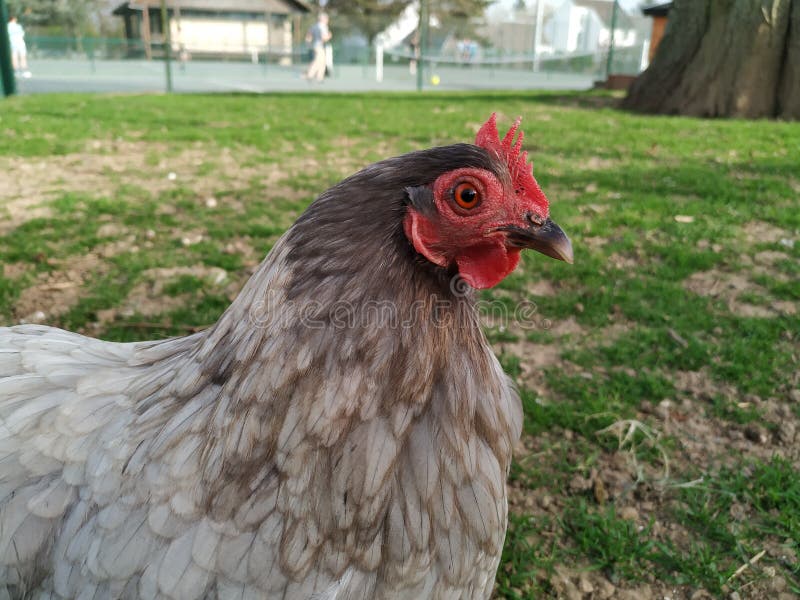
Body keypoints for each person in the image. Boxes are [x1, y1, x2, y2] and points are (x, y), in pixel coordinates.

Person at [304, 13, 331, 82]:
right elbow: (323, 38)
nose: (328, 20)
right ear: (323, 19)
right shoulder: (323, 27)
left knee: (322, 61)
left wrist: (308, 44)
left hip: (315, 45)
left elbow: (308, 37)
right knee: (318, 61)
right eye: (326, 19)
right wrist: (329, 36)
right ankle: (309, 75)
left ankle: (319, 77)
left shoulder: (314, 26)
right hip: (319, 46)